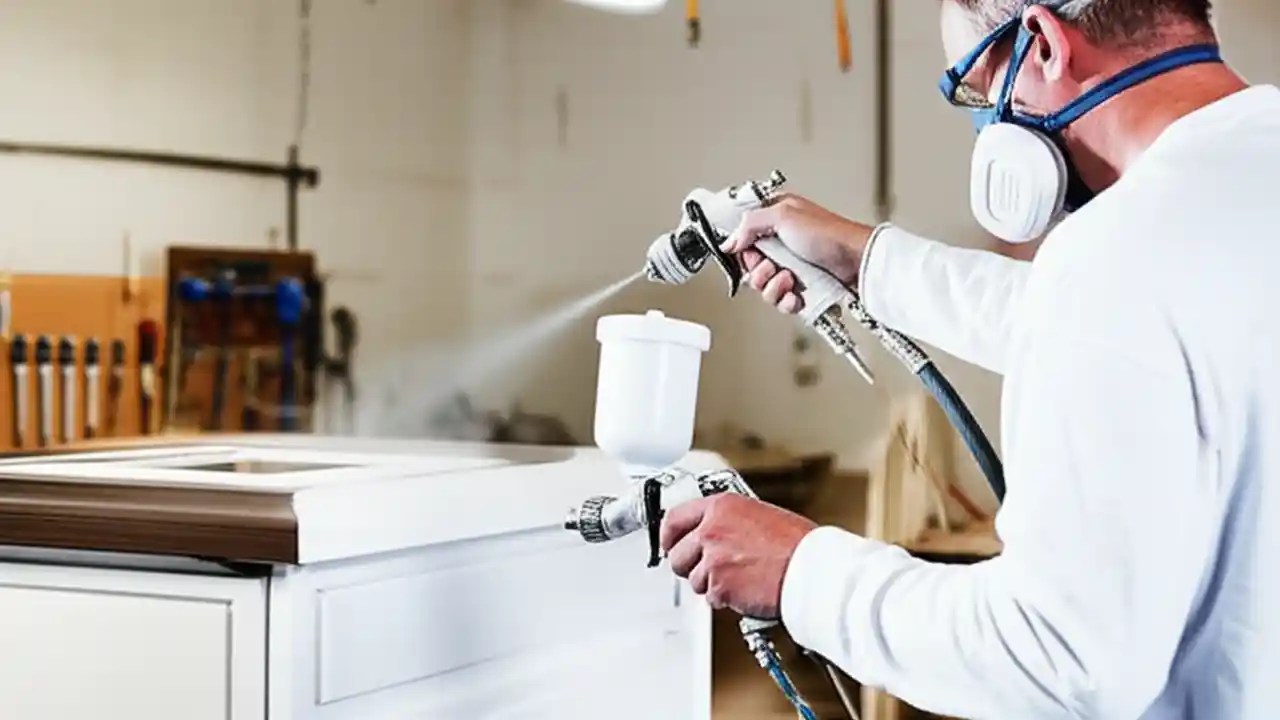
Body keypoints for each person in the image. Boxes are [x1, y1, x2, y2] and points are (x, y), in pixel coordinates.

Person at [658, 0, 1280, 717]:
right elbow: (1142, 337)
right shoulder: (1220, 207)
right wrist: (869, 264)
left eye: (981, 93)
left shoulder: (1116, 257)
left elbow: (1057, 658)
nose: (990, 126)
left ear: (1042, 44)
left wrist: (797, 570)